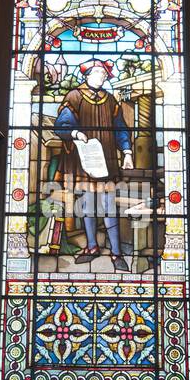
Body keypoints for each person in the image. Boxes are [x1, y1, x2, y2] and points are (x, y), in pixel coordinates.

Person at [54, 59, 134, 272]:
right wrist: (74, 133)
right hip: (83, 162)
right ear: (87, 74)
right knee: (88, 206)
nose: (103, 75)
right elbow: (61, 126)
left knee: (109, 208)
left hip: (107, 162)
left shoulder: (110, 100)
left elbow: (120, 128)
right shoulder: (74, 96)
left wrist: (126, 152)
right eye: (98, 72)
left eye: (104, 72)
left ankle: (116, 253)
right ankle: (92, 247)